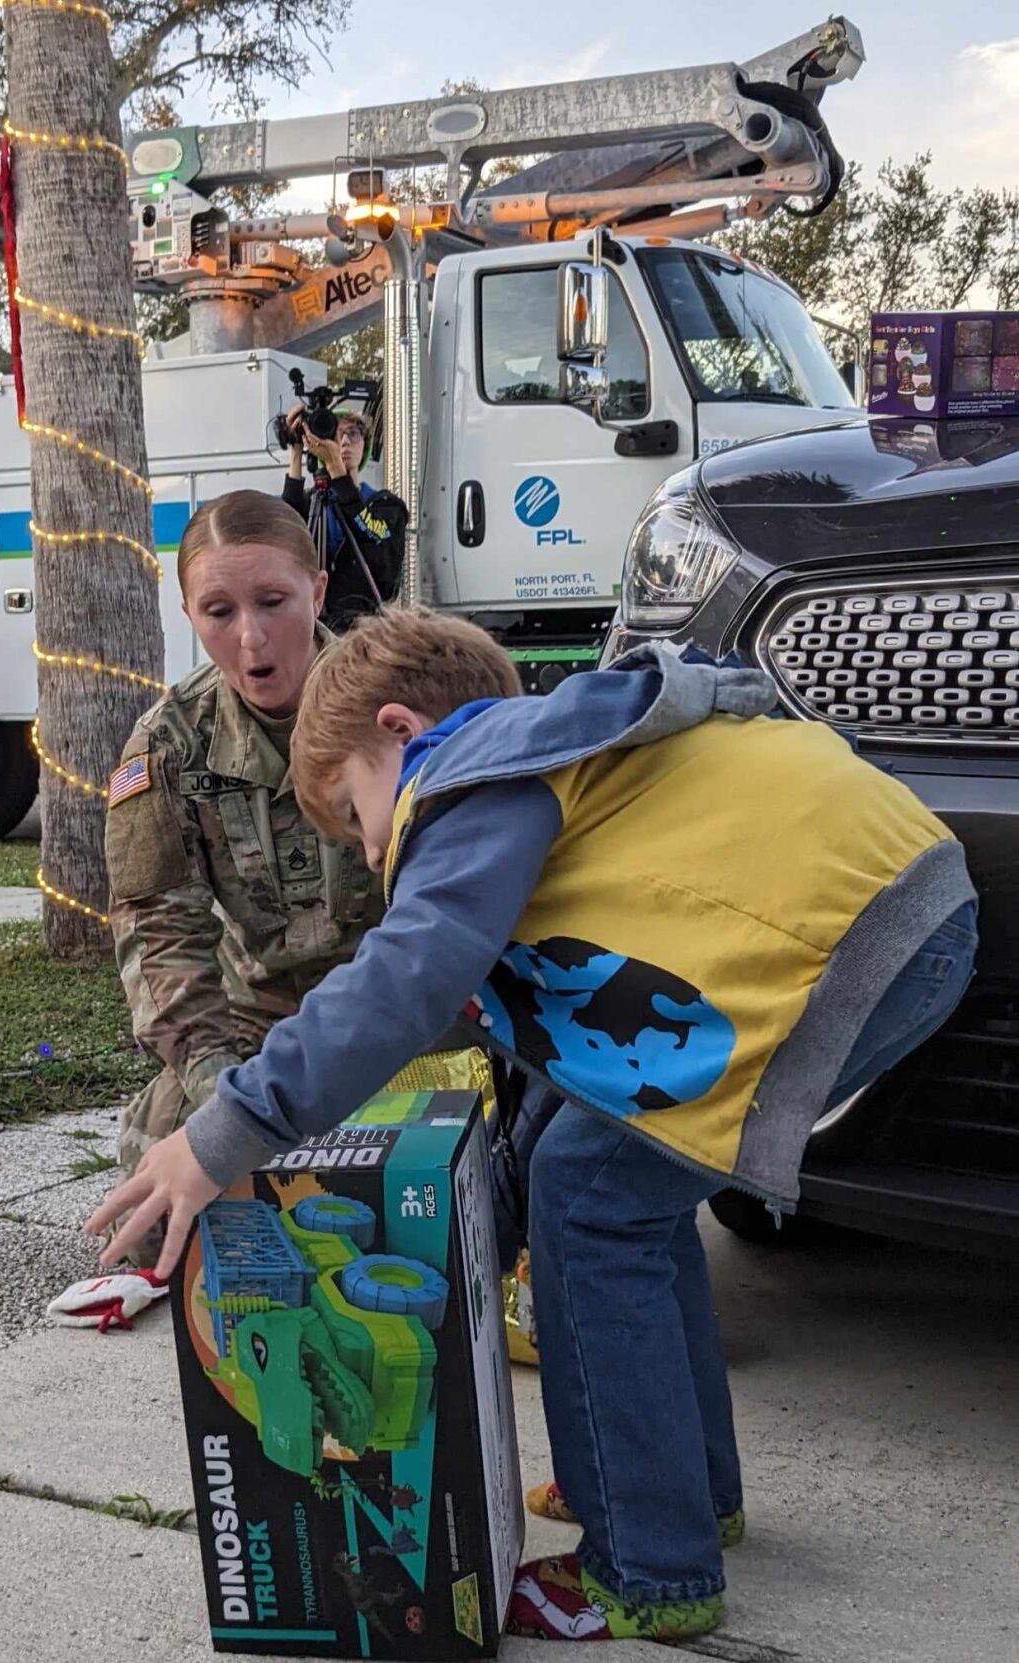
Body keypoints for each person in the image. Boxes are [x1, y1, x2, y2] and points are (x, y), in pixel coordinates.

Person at [88, 608, 977, 1643]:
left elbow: (407, 976)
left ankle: (647, 1567)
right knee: (609, 1176)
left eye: (357, 814)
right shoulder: (552, 766)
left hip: (841, 937)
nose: (376, 853)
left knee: (593, 1204)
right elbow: (545, 1032)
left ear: (398, 730)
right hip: (887, 915)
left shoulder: (466, 770)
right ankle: (682, 1492)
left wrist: (222, 1130)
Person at [100, 490, 385, 1265]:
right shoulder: (169, 746)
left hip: (407, 995)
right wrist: (222, 1088)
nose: (252, 639)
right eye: (218, 612)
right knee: (155, 1207)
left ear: (318, 590)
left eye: (274, 601)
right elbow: (158, 929)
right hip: (262, 1013)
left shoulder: (395, 695)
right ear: (187, 611)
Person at [283, 406, 406, 630]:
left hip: (366, 627)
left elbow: (371, 531)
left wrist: (336, 468)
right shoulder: (314, 502)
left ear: (365, 446)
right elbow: (284, 534)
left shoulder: (386, 505)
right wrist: (296, 451)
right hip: (314, 624)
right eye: (336, 434)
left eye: (354, 433)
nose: (345, 442)